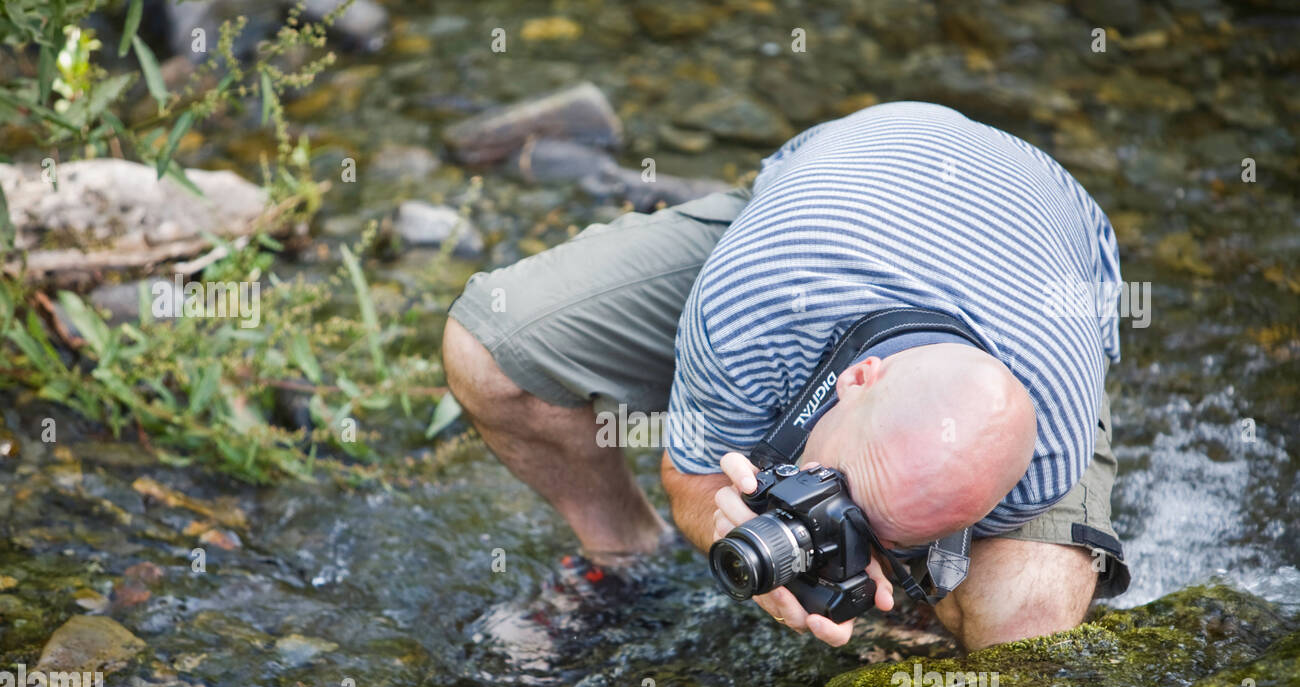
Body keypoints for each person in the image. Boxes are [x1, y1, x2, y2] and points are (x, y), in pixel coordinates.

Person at [443, 100, 1130, 652]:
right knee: (493, 349)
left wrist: (928, 580)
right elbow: (692, 477)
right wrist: (735, 534)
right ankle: (622, 554)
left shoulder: (1051, 434)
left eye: (892, 543)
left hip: (1050, 244)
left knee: (1023, 633)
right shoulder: (755, 300)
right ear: (857, 379)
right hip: (828, 197)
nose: (858, 543)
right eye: (841, 491)